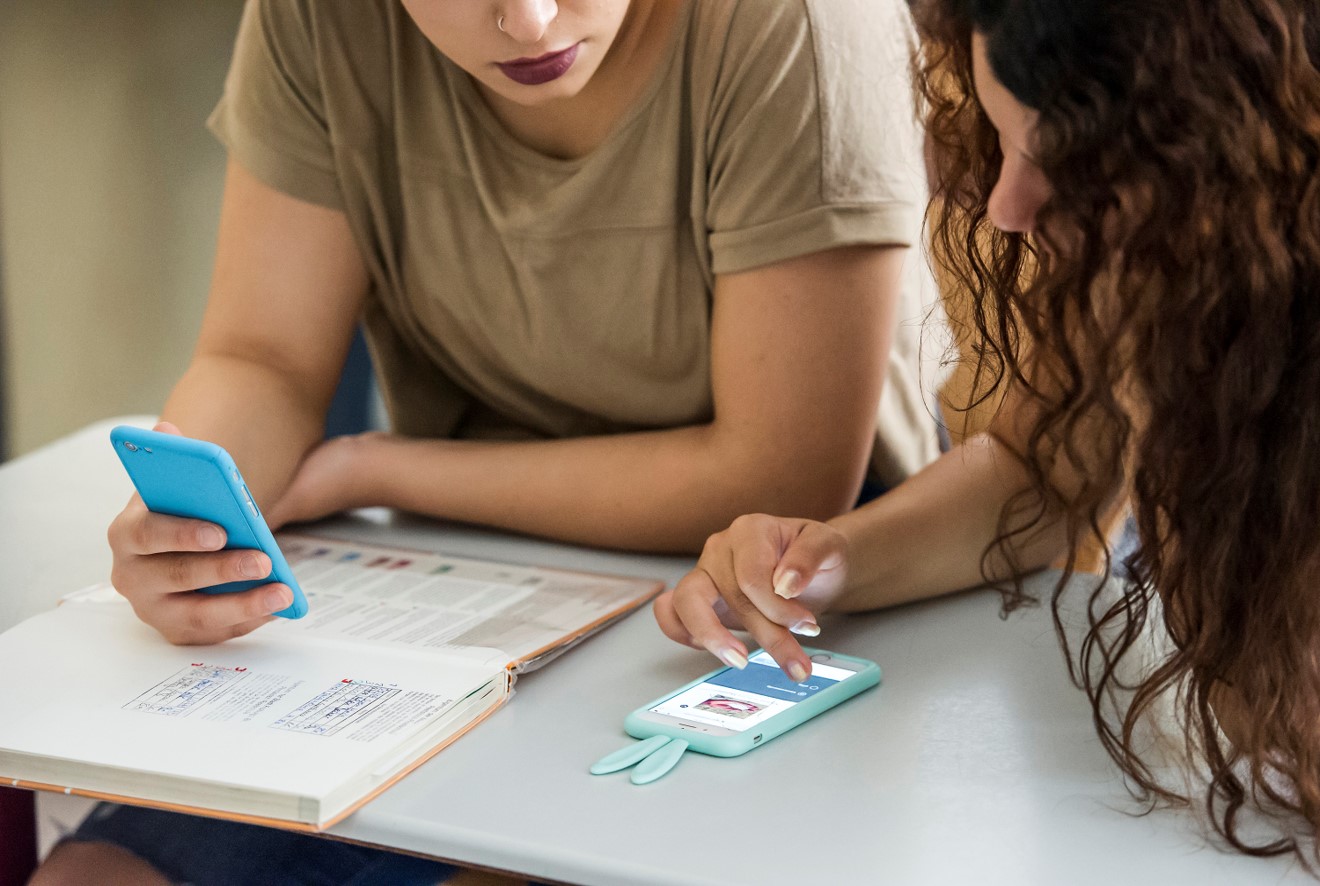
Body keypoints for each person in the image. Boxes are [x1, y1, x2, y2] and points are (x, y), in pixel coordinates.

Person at [34, 0, 944, 882]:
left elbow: (779, 474)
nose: (530, 22)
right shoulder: (318, 19)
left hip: (757, 611)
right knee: (94, 872)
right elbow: (261, 356)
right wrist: (192, 524)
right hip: (458, 590)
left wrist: (376, 467)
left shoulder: (802, 24)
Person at [656, 0, 1320, 860]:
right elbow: (1043, 470)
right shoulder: (1164, 254)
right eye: (1004, 144)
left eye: (1065, 162)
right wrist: (830, 563)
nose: (1006, 208)